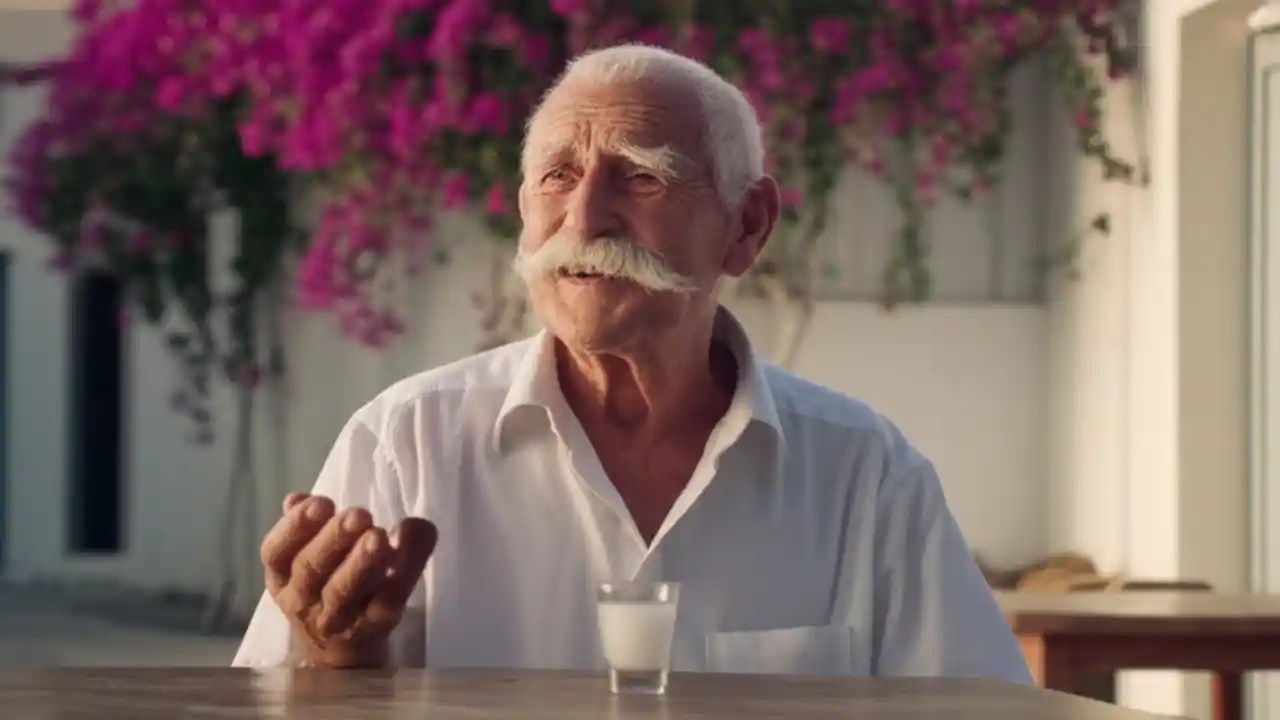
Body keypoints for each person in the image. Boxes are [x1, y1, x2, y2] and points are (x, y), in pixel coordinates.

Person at [232, 43, 1031, 683]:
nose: (584, 218)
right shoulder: (404, 441)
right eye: (558, 177)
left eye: (641, 175)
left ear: (746, 227)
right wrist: (331, 666)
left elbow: (978, 709)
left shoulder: (865, 475)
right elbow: (274, 697)